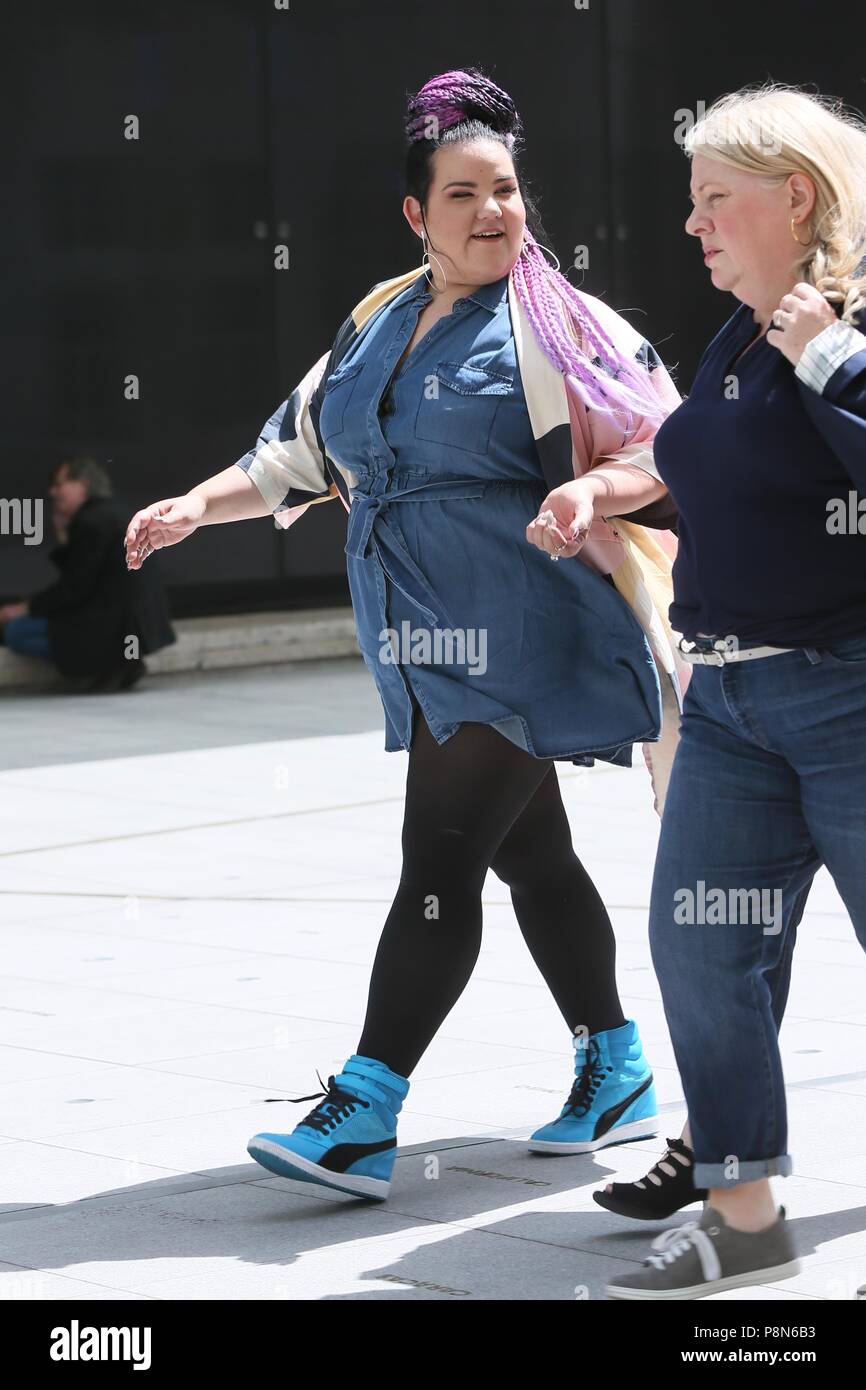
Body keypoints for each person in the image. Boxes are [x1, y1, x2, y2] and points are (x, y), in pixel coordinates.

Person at [126, 68, 685, 1203]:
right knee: (529, 851)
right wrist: (194, 504)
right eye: (465, 193)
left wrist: (592, 495)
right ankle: (617, 1065)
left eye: (509, 191)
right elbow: (295, 454)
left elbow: (670, 447)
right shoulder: (379, 319)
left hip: (526, 631)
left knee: (437, 858)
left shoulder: (564, 327)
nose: (495, 211)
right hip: (421, 642)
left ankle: (365, 1107)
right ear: (414, 215)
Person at [598, 83, 866, 1298]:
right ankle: (742, 1210)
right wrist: (605, 499)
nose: (694, 225)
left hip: (847, 695)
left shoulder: (839, 323)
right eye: (691, 202)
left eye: (715, 200)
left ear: (794, 196)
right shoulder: (736, 331)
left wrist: (830, 358)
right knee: (700, 948)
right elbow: (718, 470)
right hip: (729, 703)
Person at [0, 457, 176, 692]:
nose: (54, 492)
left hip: (111, 626)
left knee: (17, 632)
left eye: (60, 484)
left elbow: (74, 588)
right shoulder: (114, 513)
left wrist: (25, 609)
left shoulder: (90, 521)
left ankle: (105, 665)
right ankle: (118, 662)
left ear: (81, 485)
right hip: (134, 626)